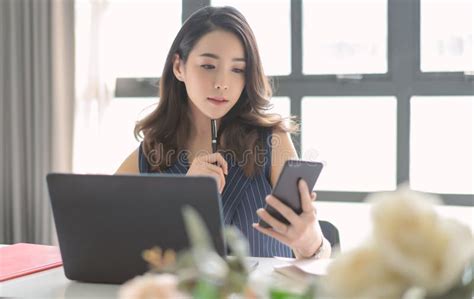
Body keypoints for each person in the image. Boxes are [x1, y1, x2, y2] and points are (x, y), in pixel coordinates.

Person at [116, 6, 330, 259]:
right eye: (208, 65)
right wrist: (182, 195)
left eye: (238, 69)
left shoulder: (272, 141)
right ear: (178, 67)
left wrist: (310, 243)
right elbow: (107, 237)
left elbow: (319, 256)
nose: (222, 83)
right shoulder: (150, 153)